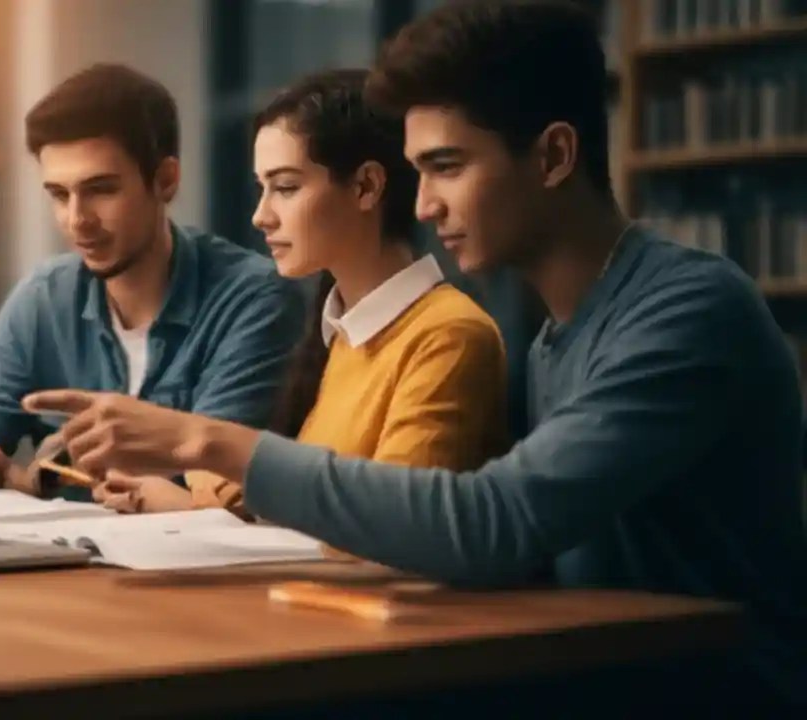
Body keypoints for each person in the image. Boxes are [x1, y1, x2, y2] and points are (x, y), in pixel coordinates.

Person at [24, 1, 807, 706]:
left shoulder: (685, 311)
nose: (425, 204)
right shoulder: (554, 337)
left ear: (554, 156)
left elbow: (496, 520)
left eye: (447, 167)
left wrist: (207, 441)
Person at [94, 69, 507, 517]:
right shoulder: (342, 332)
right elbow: (319, 507)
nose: (261, 216)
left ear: (366, 186)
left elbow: (392, 526)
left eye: (286, 188)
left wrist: (199, 474)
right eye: (263, 189)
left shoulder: (450, 336)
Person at [0, 63, 303, 494]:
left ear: (165, 180)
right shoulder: (44, 298)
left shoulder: (255, 300)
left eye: (101, 189)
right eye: (59, 195)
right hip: (67, 558)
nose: (77, 220)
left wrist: (35, 474)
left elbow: (209, 491)